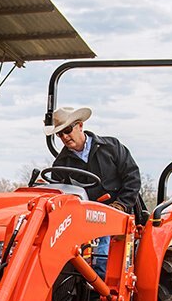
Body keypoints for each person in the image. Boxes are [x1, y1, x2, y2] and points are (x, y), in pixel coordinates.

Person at [44, 106, 141, 276]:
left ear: (80, 126)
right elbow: (57, 192)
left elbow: (132, 177)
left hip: (115, 213)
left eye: (67, 130)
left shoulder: (111, 147)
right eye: (60, 134)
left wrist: (121, 205)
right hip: (83, 218)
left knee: (102, 256)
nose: (65, 137)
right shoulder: (62, 162)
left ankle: (99, 295)